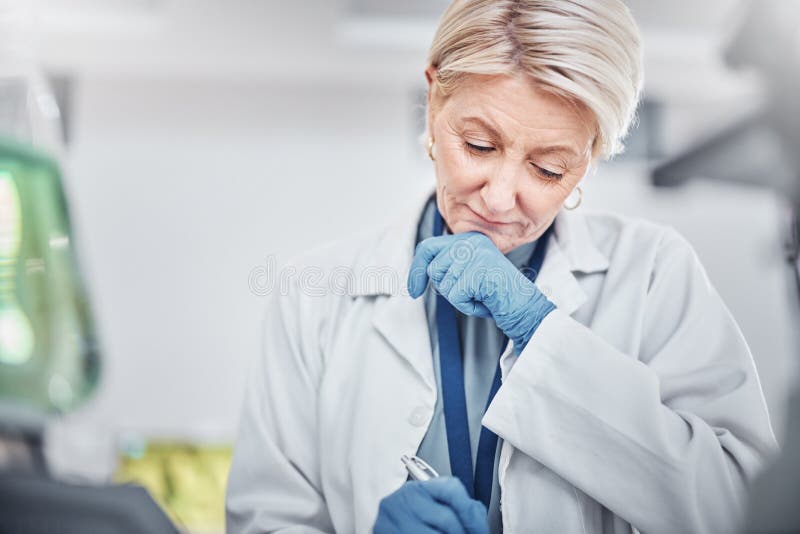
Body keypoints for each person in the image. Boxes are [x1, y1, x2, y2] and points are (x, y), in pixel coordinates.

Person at [226, 1, 778, 532]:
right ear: (434, 99)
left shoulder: (654, 274)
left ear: (589, 158)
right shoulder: (315, 298)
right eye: (478, 145)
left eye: (547, 169)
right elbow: (265, 520)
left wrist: (542, 332)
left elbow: (742, 511)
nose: (498, 199)